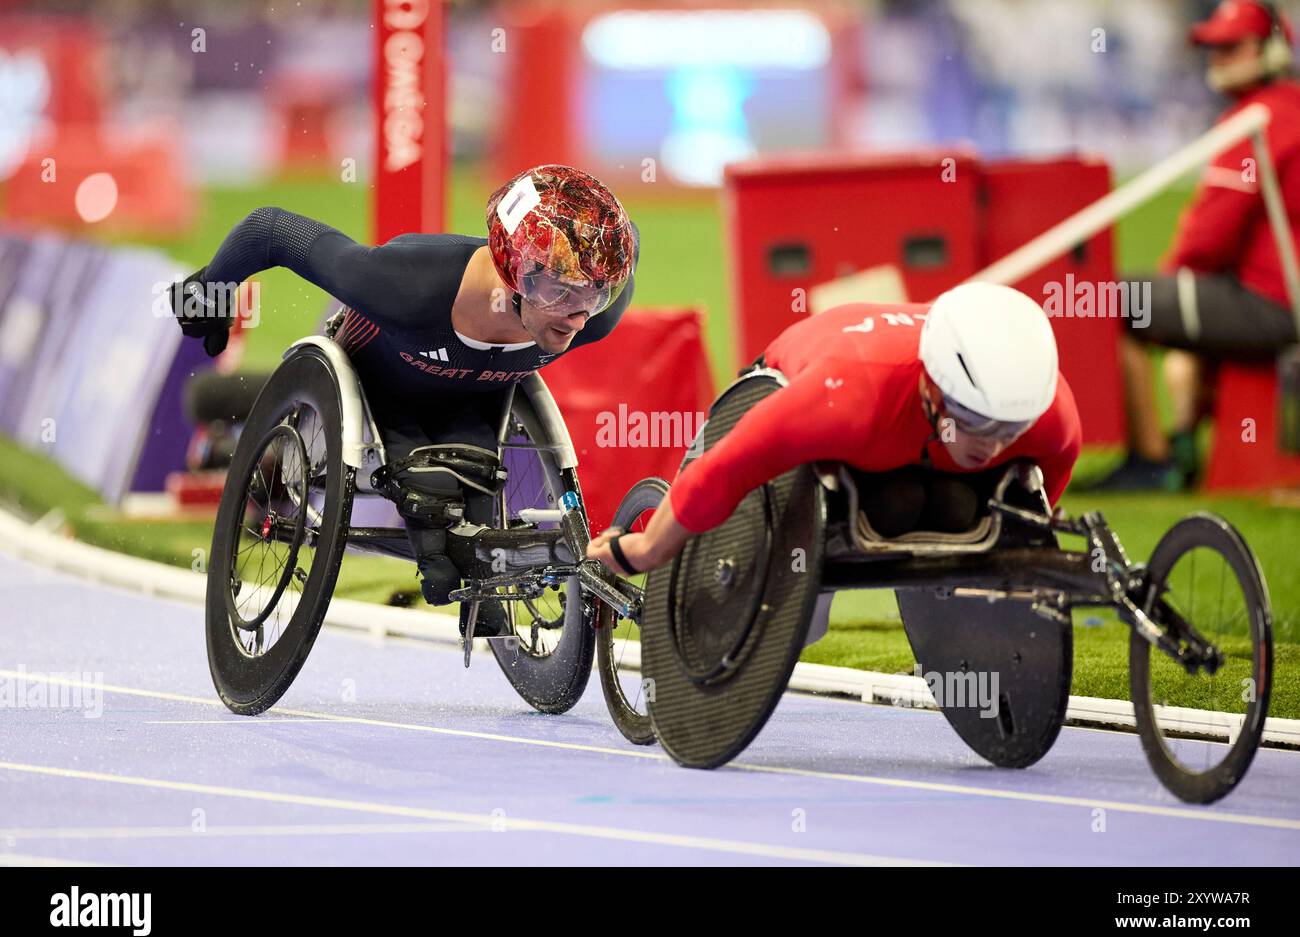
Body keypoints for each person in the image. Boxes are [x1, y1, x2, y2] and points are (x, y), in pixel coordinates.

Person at [171, 164, 639, 633]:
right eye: (560, 293)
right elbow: (270, 228)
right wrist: (211, 288)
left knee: (464, 564)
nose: (578, 317)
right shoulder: (404, 285)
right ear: (513, 271)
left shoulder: (595, 315)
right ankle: (245, 450)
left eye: (594, 294)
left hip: (480, 399)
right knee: (432, 522)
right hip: (382, 386)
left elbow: (624, 240)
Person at [587, 282, 1082, 576]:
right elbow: (722, 469)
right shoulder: (843, 398)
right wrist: (646, 548)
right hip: (829, 369)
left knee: (953, 507)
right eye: (974, 421)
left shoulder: (1049, 416)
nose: (992, 444)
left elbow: (1033, 511)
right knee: (892, 506)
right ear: (933, 387)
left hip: (901, 434)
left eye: (1010, 429)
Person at [1095, 0, 1300, 491]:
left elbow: (1208, 238)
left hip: (1274, 305)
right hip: (1273, 294)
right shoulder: (1287, 110)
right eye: (1213, 48)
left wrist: (1173, 281)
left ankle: (1152, 460)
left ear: (1271, 49)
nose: (1217, 59)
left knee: (1114, 301)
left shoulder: (1258, 120)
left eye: (1231, 47)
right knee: (1179, 303)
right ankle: (1184, 441)